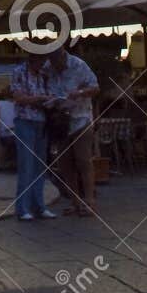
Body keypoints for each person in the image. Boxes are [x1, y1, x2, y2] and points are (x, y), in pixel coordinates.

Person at [51, 40, 100, 218]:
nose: (56, 67)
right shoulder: (49, 69)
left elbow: (95, 87)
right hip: (61, 122)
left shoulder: (79, 65)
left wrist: (79, 93)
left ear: (64, 56)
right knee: (65, 163)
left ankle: (90, 201)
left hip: (81, 119)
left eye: (58, 63)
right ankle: (75, 201)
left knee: (83, 160)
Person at [10, 52, 57, 220]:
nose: (43, 63)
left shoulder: (44, 75)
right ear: (32, 59)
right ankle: (22, 208)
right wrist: (38, 99)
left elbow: (51, 92)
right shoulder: (18, 72)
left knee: (40, 166)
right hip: (25, 120)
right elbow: (17, 96)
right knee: (26, 165)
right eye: (41, 60)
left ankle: (39, 205)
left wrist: (49, 99)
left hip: (41, 121)